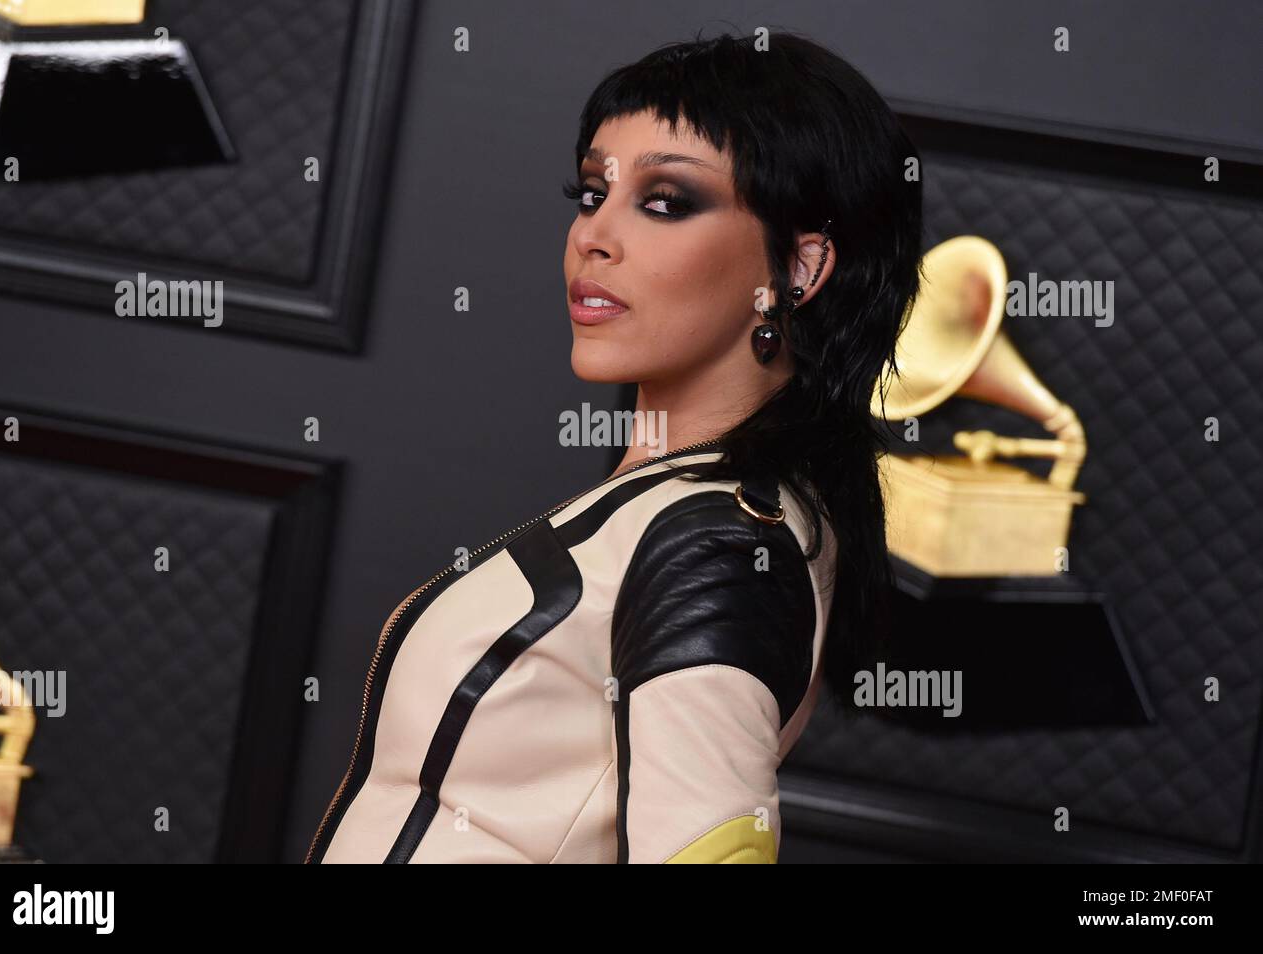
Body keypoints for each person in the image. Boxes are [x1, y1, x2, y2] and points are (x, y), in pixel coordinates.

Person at [306, 29, 923, 864]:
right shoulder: (692, 506)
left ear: (800, 268)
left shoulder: (720, 542)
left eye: (666, 200)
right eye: (592, 191)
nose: (592, 235)